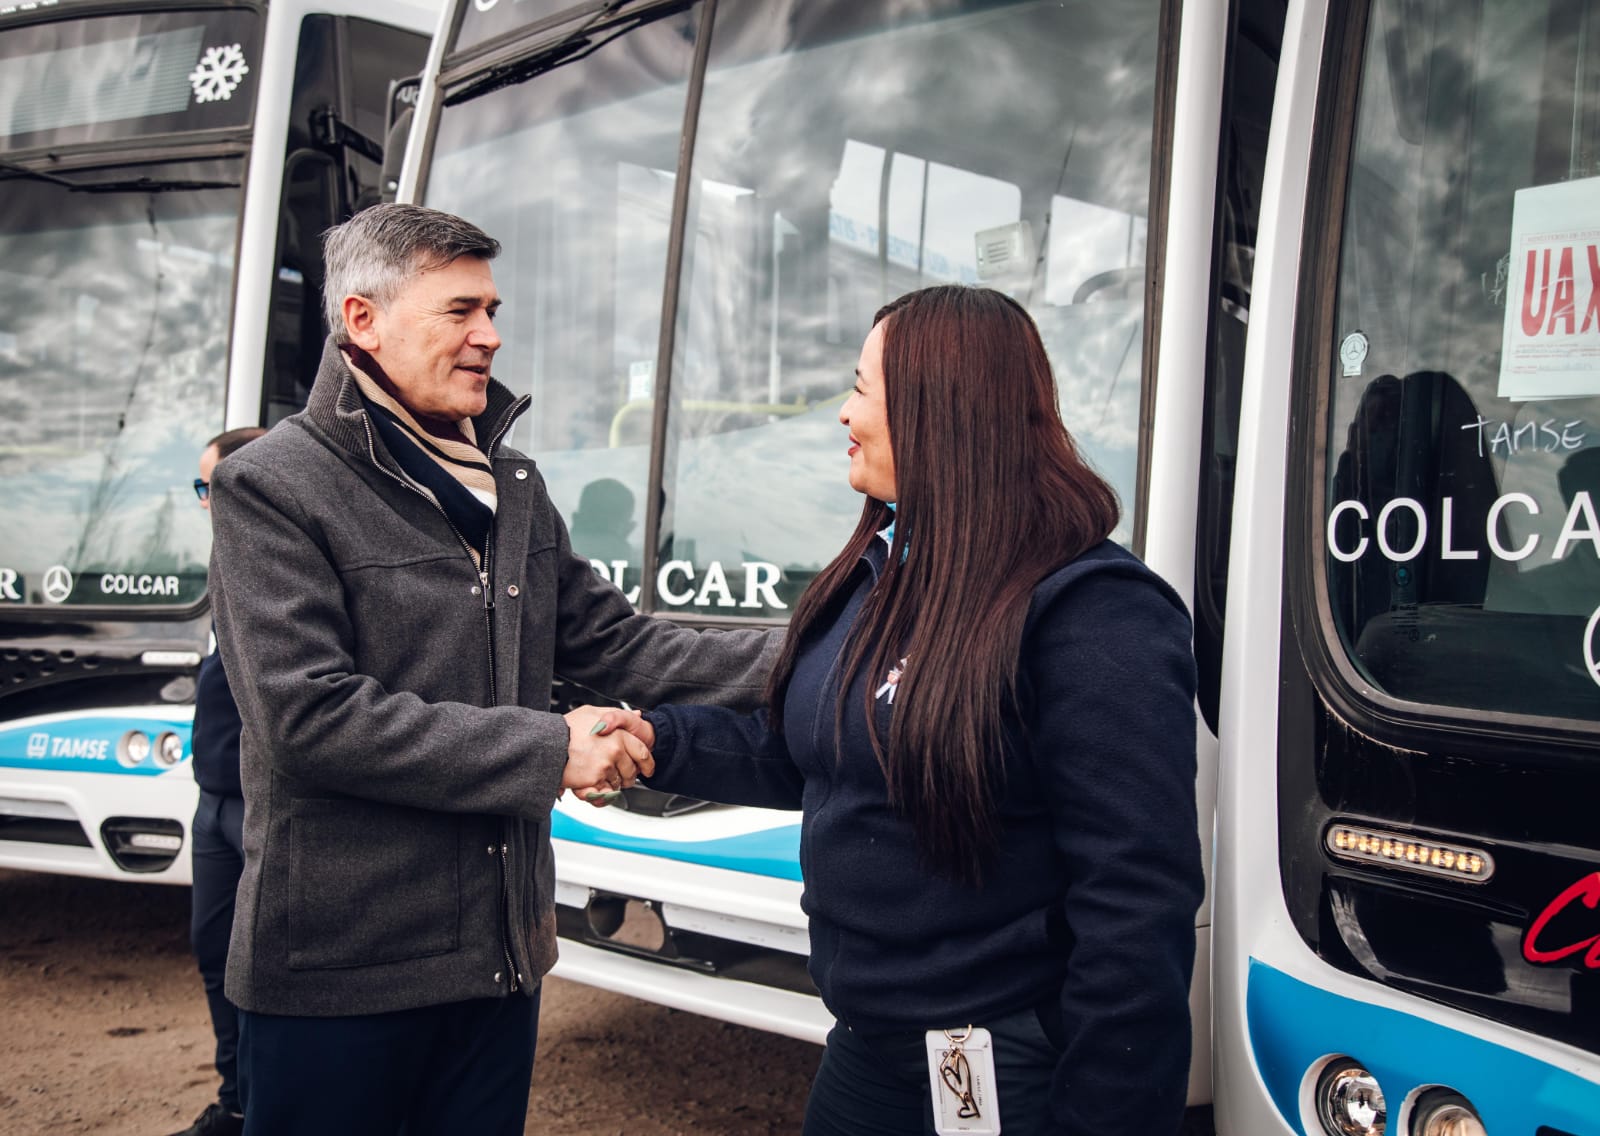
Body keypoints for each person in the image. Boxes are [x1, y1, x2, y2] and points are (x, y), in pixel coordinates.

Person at [575, 285, 1205, 1134]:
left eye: (863, 388)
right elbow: (809, 751)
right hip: (868, 1041)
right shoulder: (879, 573)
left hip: (1001, 1060)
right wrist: (658, 741)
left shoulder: (1095, 614)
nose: (843, 412)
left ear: (941, 408)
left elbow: (1135, 907)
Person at [205, 203, 776, 1136]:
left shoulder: (513, 486)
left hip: (500, 960)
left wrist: (826, 649)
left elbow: (622, 648)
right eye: (461, 311)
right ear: (362, 320)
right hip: (341, 978)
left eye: (494, 310)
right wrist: (551, 749)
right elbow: (307, 720)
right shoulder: (271, 485)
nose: (491, 336)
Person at [168, 426, 265, 1136]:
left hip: (265, 805)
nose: (204, 501)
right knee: (213, 952)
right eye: (201, 488)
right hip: (214, 804)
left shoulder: (282, 564)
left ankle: (267, 1109)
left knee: (261, 971)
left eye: (211, 486)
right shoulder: (220, 561)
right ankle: (235, 1102)